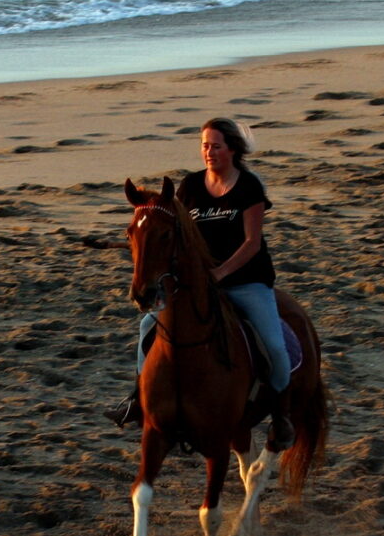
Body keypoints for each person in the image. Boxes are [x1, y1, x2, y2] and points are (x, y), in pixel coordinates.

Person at [106, 117, 295, 449]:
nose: (209, 152)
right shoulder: (191, 186)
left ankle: (281, 414)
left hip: (246, 281)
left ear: (232, 150)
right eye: (205, 146)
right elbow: (179, 236)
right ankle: (138, 399)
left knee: (275, 347)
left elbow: (251, 244)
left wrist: (220, 274)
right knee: (148, 325)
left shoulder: (248, 187)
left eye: (216, 146)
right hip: (198, 284)